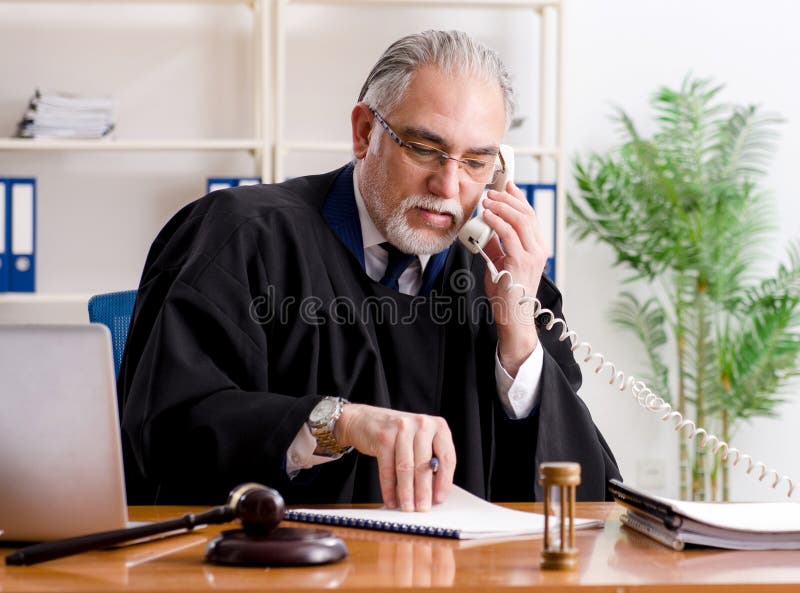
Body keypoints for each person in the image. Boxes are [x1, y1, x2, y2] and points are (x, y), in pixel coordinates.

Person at [119, 30, 621, 508]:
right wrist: (337, 423)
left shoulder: (507, 277)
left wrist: (517, 337)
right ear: (364, 132)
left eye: (476, 161)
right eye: (425, 149)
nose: (449, 186)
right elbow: (165, 431)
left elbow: (585, 493)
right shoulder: (240, 237)